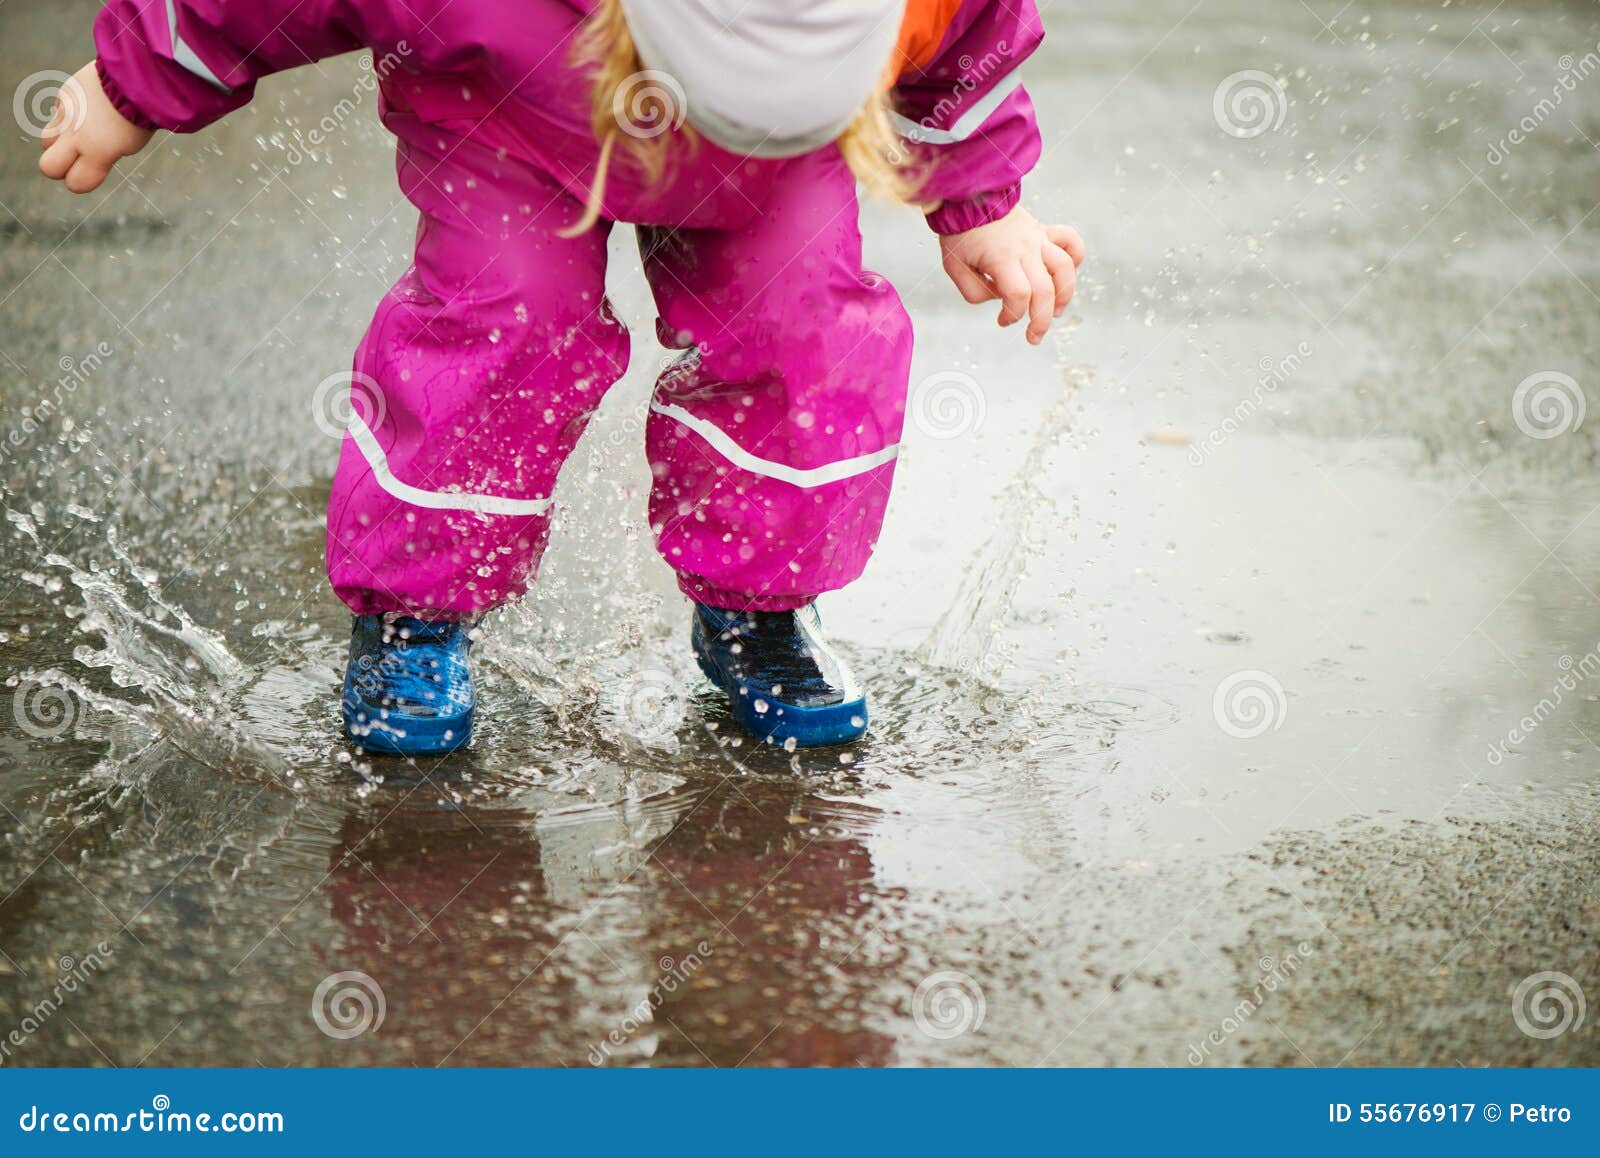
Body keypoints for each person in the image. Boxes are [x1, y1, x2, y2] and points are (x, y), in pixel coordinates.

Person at [38, 0, 1084, 754]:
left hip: (778, 164)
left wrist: (983, 198)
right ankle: (416, 618)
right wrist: (133, 79)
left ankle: (758, 612)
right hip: (508, 117)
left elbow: (969, 37)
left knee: (803, 328)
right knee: (505, 327)